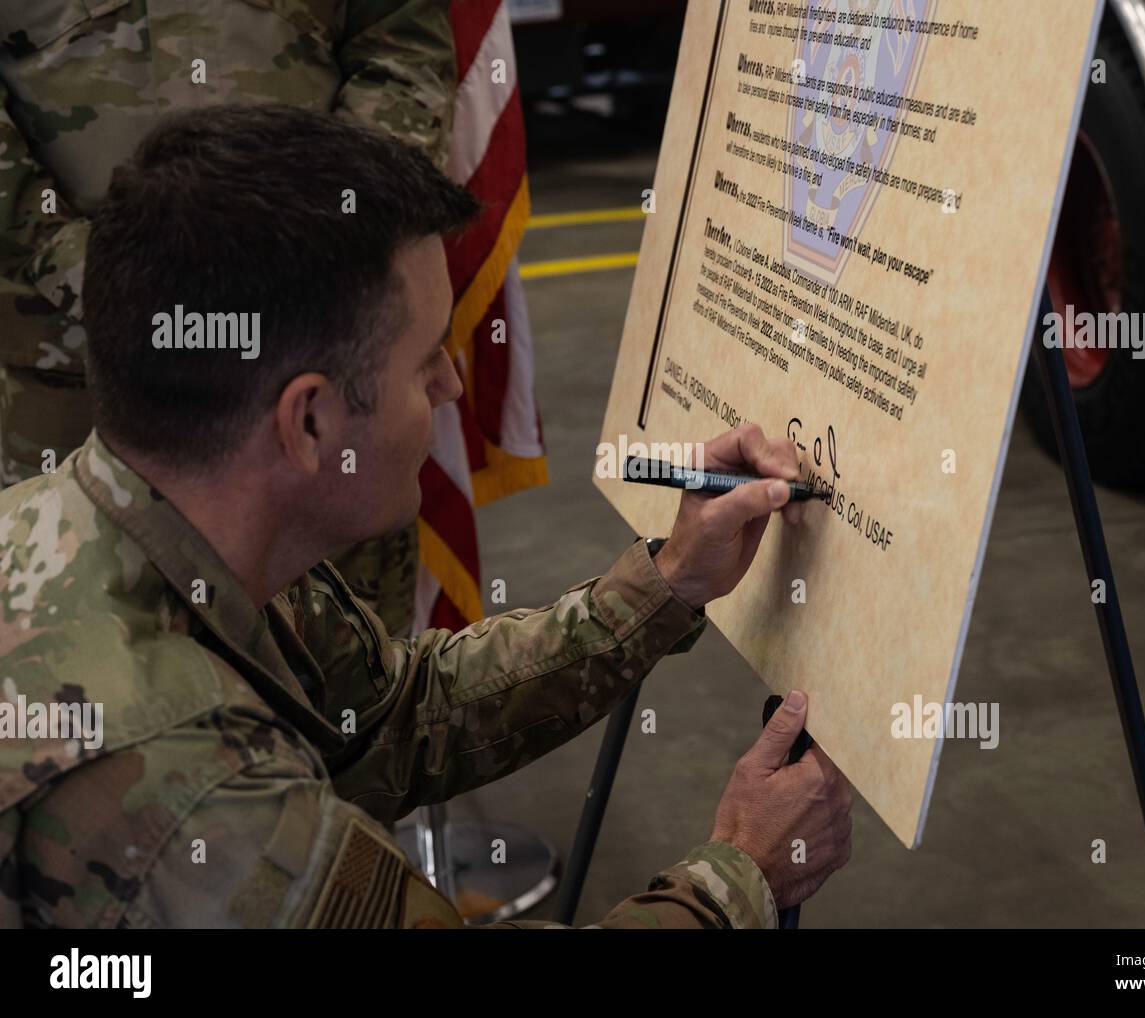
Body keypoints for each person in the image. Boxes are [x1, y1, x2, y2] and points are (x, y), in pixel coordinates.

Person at [0, 104, 853, 929]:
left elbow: (392, 718)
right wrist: (740, 873)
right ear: (308, 424)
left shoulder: (145, 527)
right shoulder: (190, 800)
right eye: (424, 363)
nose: (451, 385)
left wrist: (667, 585)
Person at [0, 0, 461, 638]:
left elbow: (400, 35)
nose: (450, 386)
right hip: (59, 353)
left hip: (322, 332)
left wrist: (341, 253)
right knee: (67, 633)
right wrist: (97, 274)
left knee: (339, 656)